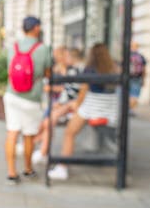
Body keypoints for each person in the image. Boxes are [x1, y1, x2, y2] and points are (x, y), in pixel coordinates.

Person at [48, 43, 119, 180]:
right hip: (111, 112)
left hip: (92, 109)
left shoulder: (89, 70)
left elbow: (83, 93)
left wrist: (76, 105)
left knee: (69, 133)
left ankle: (63, 167)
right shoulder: (113, 69)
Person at [3, 16, 52, 184]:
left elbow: (10, 69)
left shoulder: (13, 47)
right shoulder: (43, 48)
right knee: (29, 135)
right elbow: (48, 73)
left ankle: (11, 173)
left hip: (12, 94)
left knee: (12, 132)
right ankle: (28, 169)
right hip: (31, 97)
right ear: (36, 28)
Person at [128, 41, 146, 113]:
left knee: (129, 94)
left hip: (128, 77)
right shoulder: (141, 56)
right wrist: (143, 79)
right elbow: (144, 69)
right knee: (135, 94)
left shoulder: (127, 55)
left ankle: (129, 109)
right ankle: (131, 109)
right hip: (137, 77)